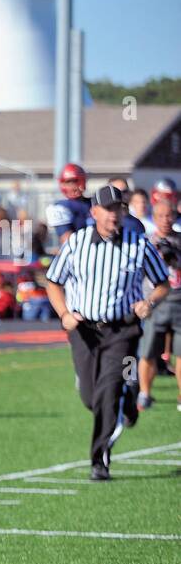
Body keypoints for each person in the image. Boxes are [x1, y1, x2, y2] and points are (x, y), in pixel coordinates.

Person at [44, 185, 171, 479]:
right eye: (109, 209)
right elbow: (53, 282)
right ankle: (128, 399)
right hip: (84, 331)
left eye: (119, 209)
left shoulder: (137, 244)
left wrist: (148, 302)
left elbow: (163, 283)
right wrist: (64, 314)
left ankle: (99, 460)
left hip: (122, 331)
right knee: (90, 397)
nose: (115, 215)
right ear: (95, 212)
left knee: (107, 394)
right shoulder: (76, 244)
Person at [136, 186, 181, 411]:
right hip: (154, 301)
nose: (165, 219)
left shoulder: (179, 240)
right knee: (148, 350)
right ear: (154, 218)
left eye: (169, 215)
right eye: (161, 216)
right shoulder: (146, 242)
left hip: (179, 301)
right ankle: (144, 393)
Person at [46, 163, 92, 247]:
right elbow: (68, 241)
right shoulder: (59, 208)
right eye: (69, 182)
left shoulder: (94, 202)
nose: (74, 186)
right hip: (79, 252)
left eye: (75, 181)